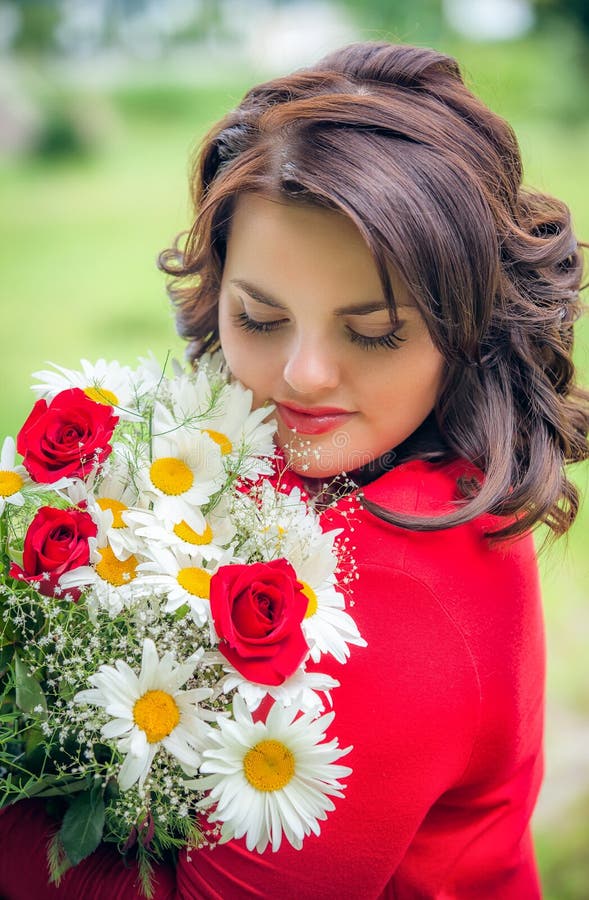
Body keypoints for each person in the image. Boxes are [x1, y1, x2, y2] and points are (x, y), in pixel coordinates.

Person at [1, 40, 587, 900]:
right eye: (261, 318)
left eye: (374, 329)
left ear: (470, 326)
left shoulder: (394, 581)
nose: (302, 376)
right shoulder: (324, 460)